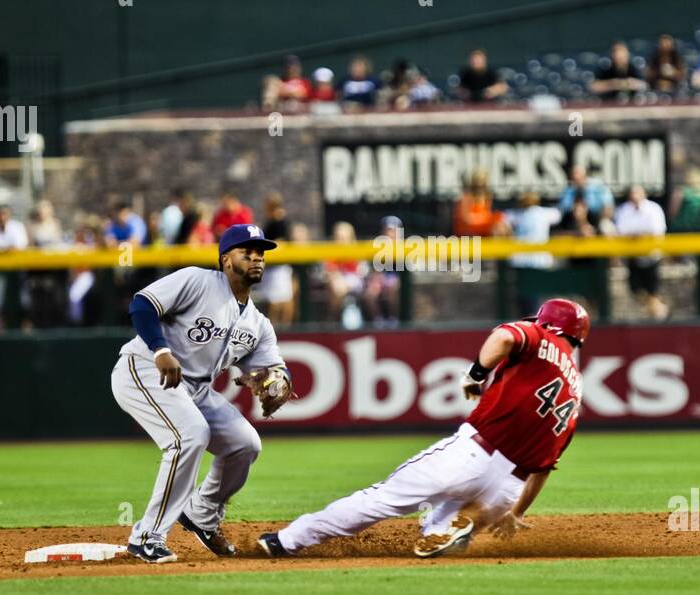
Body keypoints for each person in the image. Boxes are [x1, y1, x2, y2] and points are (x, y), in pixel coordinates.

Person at [258, 299, 588, 559]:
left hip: (472, 455)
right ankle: (448, 528)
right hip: (506, 490)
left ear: (548, 323)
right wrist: (514, 513)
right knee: (436, 526)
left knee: (379, 500)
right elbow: (542, 471)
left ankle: (287, 541)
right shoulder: (576, 393)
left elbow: (503, 337)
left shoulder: (542, 337)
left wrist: (475, 373)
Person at [112, 224, 294, 564]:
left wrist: (278, 385)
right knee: (191, 434)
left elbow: (276, 370)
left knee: (245, 443)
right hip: (145, 369)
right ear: (226, 260)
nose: (257, 257)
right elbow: (142, 305)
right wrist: (160, 350)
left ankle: (201, 514)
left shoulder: (258, 323)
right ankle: (147, 537)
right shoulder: (197, 281)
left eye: (261, 253)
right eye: (247, 251)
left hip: (194, 389)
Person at [614, 185, 668, 320]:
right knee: (636, 291)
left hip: (651, 256)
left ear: (644, 194)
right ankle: (659, 309)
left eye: (637, 193)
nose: (635, 196)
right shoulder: (624, 210)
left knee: (653, 290)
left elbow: (657, 232)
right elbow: (621, 232)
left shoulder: (654, 209)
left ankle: (658, 312)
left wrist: (637, 236)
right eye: (632, 193)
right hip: (633, 257)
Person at [258, 193, 296, 327]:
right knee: (273, 300)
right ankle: (274, 327)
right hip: (271, 266)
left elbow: (282, 241)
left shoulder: (282, 221)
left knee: (282, 299)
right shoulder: (271, 222)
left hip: (280, 266)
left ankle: (285, 327)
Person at [363, 215, 403, 327]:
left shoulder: (406, 246)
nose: (390, 233)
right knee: (370, 293)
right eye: (388, 230)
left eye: (393, 230)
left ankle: (394, 320)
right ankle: (378, 321)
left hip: (396, 282)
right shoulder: (377, 246)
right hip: (382, 280)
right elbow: (374, 272)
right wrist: (376, 279)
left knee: (393, 287)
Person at [454, 167, 508, 237]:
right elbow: (466, 219)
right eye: (478, 183)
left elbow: (489, 216)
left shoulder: (487, 198)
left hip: (483, 229)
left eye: (483, 183)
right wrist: (487, 219)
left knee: (502, 227)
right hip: (468, 231)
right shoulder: (467, 197)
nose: (480, 186)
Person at [557, 164, 614, 228]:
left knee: (606, 226)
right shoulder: (569, 190)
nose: (575, 177)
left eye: (578, 174)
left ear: (585, 175)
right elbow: (562, 208)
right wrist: (577, 209)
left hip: (598, 218)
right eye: (573, 175)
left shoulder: (598, 186)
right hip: (575, 220)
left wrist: (601, 220)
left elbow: (608, 208)